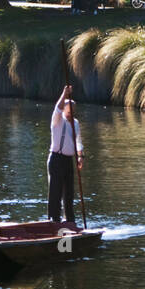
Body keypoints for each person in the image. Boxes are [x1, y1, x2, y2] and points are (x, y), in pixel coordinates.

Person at [48, 84, 83, 223]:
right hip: (56, 159)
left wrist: (80, 156)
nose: (71, 114)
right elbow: (57, 108)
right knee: (55, 192)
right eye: (69, 111)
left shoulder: (75, 123)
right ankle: (54, 220)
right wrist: (65, 93)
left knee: (69, 193)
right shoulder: (57, 120)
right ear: (64, 110)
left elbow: (78, 140)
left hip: (69, 160)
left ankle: (70, 221)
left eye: (73, 111)